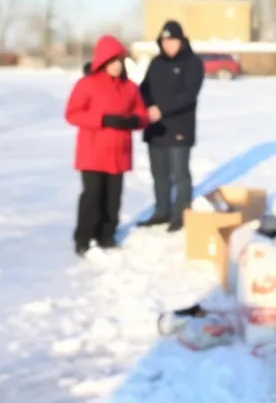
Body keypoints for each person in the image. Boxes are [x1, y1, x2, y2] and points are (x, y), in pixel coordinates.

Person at [65, 35, 149, 256]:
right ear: (102, 61)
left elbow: (141, 113)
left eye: (120, 61)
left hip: (119, 153)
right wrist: (102, 119)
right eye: (113, 61)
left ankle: (107, 234)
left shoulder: (130, 87)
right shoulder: (87, 84)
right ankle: (84, 237)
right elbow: (72, 114)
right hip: (92, 153)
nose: (118, 66)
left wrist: (135, 121)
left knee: (113, 198)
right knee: (92, 196)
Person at [137, 20, 205, 232]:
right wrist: (147, 106)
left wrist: (161, 110)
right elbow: (144, 88)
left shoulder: (192, 63)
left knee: (179, 173)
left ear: (181, 41)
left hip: (179, 128)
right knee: (159, 174)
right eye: (165, 41)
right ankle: (162, 210)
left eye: (172, 41)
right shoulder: (157, 62)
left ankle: (181, 213)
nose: (168, 45)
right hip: (155, 129)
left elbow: (188, 95)